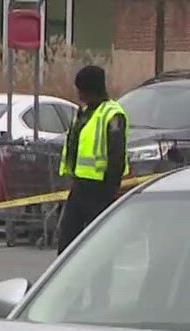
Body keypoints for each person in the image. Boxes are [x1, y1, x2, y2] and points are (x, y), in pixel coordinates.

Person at [56, 65, 127, 253]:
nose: (79, 95)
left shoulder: (112, 115)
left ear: (92, 89)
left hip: (100, 190)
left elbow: (117, 156)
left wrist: (111, 190)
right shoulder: (85, 112)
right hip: (80, 185)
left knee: (99, 244)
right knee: (67, 240)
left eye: (82, 90)